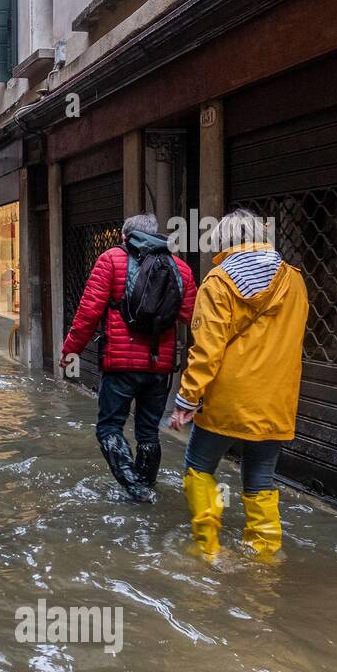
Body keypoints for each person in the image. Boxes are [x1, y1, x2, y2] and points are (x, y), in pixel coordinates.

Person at [169, 208, 308, 561]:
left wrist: (187, 399)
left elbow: (206, 349)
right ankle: (263, 557)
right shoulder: (294, 280)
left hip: (228, 400)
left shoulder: (218, 282)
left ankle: (209, 548)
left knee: (198, 468)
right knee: (261, 479)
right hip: (276, 401)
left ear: (224, 241)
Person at [59, 213, 197, 503]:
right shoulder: (179, 267)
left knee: (109, 427)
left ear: (125, 236)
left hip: (120, 365)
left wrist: (71, 350)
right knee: (148, 433)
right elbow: (192, 317)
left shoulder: (110, 260)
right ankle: (145, 491)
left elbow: (87, 314)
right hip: (159, 366)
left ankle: (135, 486)